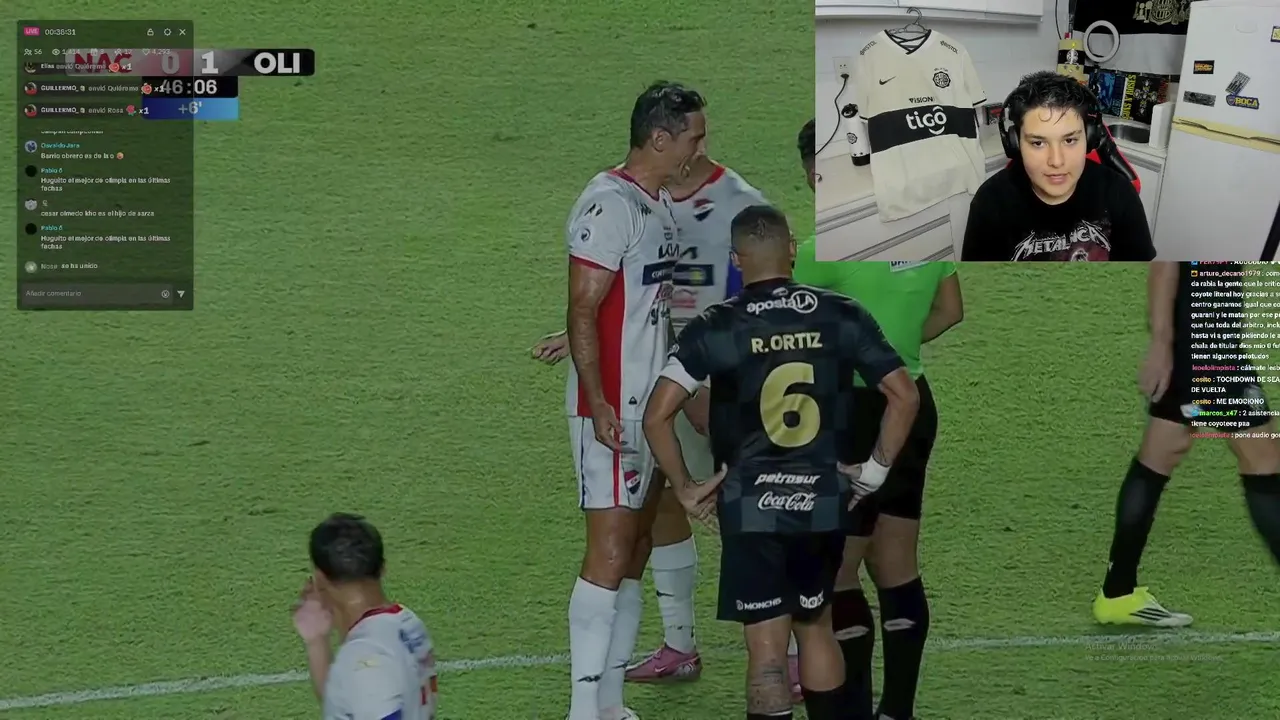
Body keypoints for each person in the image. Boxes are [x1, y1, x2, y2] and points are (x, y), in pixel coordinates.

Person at [643, 204, 920, 720]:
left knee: (767, 651)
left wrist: (685, 486)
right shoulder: (842, 313)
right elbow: (905, 396)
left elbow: (657, 415)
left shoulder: (714, 325)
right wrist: (874, 472)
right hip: (821, 496)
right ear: (791, 250)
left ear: (736, 259)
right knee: (816, 626)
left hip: (750, 503)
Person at [534, 152, 770, 685]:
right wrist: (577, 336)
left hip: (711, 382)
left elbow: (761, 300)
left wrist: (714, 388)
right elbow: (642, 295)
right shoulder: (649, 200)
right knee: (660, 504)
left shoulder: (739, 203)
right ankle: (680, 644)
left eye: (699, 136)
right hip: (656, 379)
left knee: (744, 511)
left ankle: (792, 646)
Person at [562, 80, 706, 720]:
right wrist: (597, 401)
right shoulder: (608, 203)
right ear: (659, 138)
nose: (699, 150)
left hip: (650, 408)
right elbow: (583, 307)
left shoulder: (661, 205)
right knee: (611, 549)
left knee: (639, 544)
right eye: (693, 138)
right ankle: (581, 709)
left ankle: (610, 703)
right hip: (613, 408)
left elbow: (643, 306)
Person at [792, 251, 962, 719]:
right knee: (896, 563)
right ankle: (897, 711)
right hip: (912, 402)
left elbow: (781, 320)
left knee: (839, 571)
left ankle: (853, 711)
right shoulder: (932, 239)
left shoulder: (827, 249)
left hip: (851, 411)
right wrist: (893, 347)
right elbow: (951, 311)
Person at [1094, 262, 1280, 626]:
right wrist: (1161, 344)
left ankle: (1118, 594)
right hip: (1208, 349)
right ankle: (1117, 593)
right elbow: (1166, 264)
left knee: (1164, 448)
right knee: (1265, 458)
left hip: (1196, 340)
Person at [961, 71, 1155, 261]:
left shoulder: (1120, 194)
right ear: (1015, 143)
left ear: (1089, 138)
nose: (1056, 161)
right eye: (1038, 143)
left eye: (1069, 140)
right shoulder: (989, 203)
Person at [292, 513, 438, 719]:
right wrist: (317, 642)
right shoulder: (406, 622)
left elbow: (364, 684)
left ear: (320, 578)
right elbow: (347, 701)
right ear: (382, 567)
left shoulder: (366, 659)